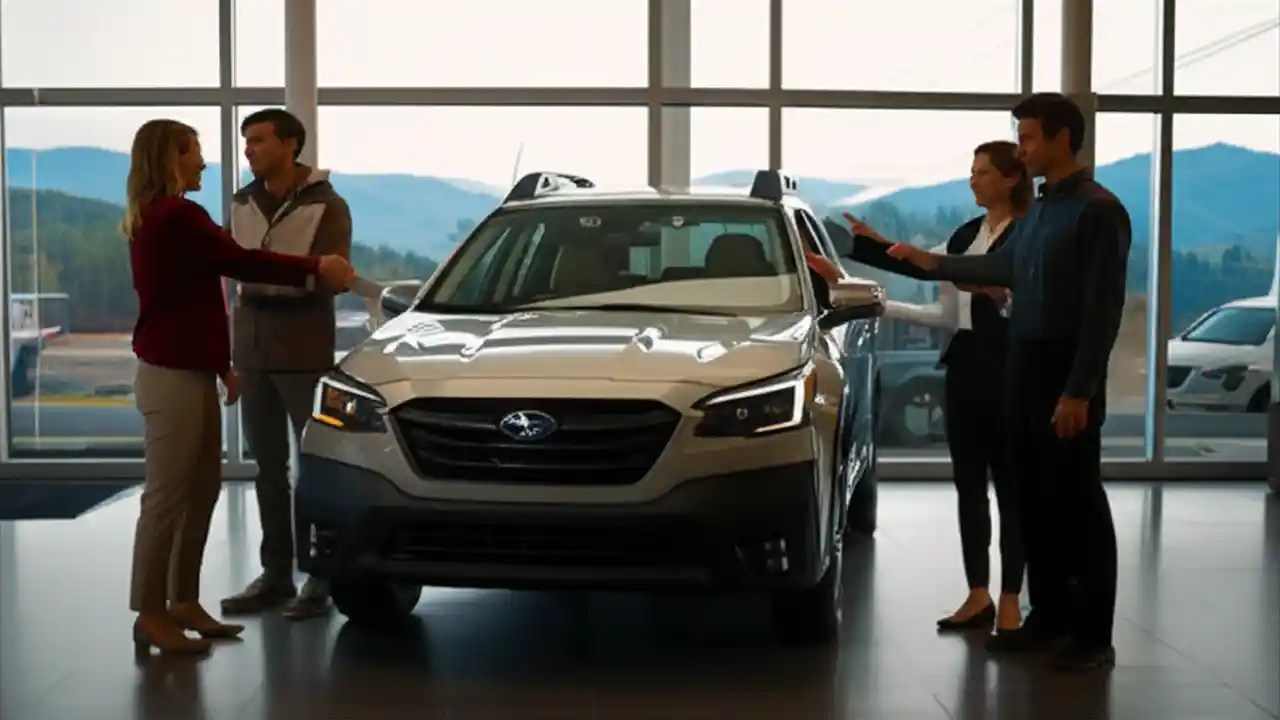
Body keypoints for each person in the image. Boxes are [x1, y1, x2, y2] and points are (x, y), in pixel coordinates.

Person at [886, 93, 1130, 671]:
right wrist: (932, 262)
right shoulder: (1043, 210)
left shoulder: (1099, 210)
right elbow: (999, 268)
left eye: (1028, 139)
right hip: (1021, 365)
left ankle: (1093, 636)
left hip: (1064, 371)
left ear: (1063, 139)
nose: (1021, 150)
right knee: (1035, 500)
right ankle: (1048, 620)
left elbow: (1103, 310)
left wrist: (1079, 390)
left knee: (1079, 505)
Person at [125, 118, 354, 655]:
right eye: (195, 152)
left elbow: (204, 299)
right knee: (167, 499)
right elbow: (241, 261)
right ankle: (150, 612)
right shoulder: (178, 215)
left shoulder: (172, 215)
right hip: (172, 376)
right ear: (171, 158)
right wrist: (316, 267)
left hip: (198, 370)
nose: (206, 161)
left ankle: (182, 601)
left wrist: (222, 361)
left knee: (201, 490)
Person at [844, 140, 1031, 636]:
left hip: (1012, 367)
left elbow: (1032, 302)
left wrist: (1002, 296)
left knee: (1011, 488)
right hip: (967, 364)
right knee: (969, 484)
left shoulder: (1030, 233)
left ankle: (1013, 598)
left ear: (1011, 178)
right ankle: (978, 594)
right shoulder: (967, 233)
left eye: (983, 172)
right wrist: (876, 266)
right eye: (972, 172)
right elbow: (938, 293)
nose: (973, 180)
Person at [219, 108, 352, 621]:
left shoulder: (328, 205)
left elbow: (330, 278)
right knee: (267, 469)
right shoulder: (241, 202)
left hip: (303, 351)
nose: (248, 148)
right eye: (246, 140)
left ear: (290, 144)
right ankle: (275, 574)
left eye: (258, 140)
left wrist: (272, 281)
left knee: (314, 469)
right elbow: (232, 267)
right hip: (251, 352)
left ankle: (319, 575)